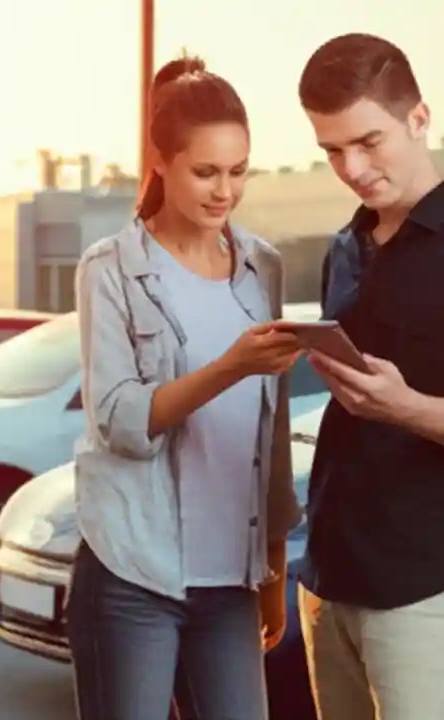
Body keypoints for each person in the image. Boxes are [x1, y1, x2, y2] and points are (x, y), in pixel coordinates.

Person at [66, 54, 303, 720]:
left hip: (231, 578)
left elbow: (271, 430)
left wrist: (273, 564)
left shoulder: (263, 267)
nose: (223, 191)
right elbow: (119, 422)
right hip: (133, 572)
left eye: (237, 172)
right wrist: (229, 365)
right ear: (161, 162)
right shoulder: (110, 268)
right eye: (205, 172)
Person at [295, 33, 444, 720]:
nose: (351, 168)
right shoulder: (344, 248)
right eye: (331, 150)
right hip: (327, 582)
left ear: (420, 117)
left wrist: (409, 408)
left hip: (423, 592)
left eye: (368, 142)